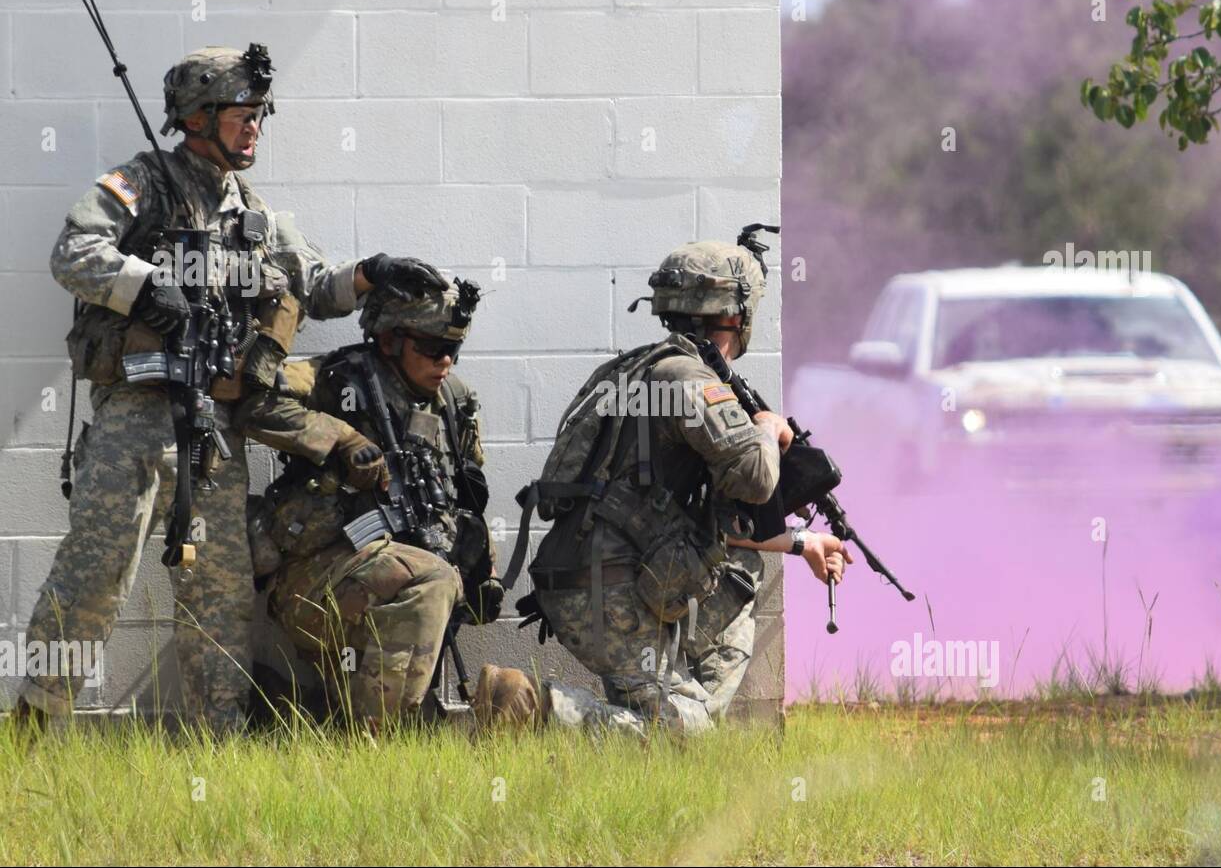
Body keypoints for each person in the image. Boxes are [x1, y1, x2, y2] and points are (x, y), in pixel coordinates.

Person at [14, 44, 440, 732]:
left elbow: (315, 287)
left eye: (259, 116)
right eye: (243, 115)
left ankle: (219, 740)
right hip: (136, 419)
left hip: (211, 427)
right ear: (197, 117)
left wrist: (372, 273)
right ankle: (33, 726)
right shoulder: (143, 184)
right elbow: (75, 251)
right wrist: (147, 289)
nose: (254, 130)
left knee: (220, 596)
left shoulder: (257, 218)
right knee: (93, 581)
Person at [477, 232, 851, 735]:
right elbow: (758, 480)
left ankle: (638, 716)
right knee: (684, 737)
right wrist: (767, 426)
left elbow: (715, 524)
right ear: (737, 317)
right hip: (609, 588)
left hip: (597, 577)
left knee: (683, 705)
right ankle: (530, 706)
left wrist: (803, 541)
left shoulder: (638, 368)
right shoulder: (687, 379)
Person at [238, 275, 500, 731]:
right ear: (389, 340)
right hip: (315, 581)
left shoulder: (453, 400)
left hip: (398, 580)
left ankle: (311, 712)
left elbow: (460, 491)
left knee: (443, 580)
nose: (444, 361)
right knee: (432, 579)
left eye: (453, 351)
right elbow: (251, 401)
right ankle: (378, 746)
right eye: (432, 347)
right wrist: (340, 437)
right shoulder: (336, 378)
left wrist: (484, 567)